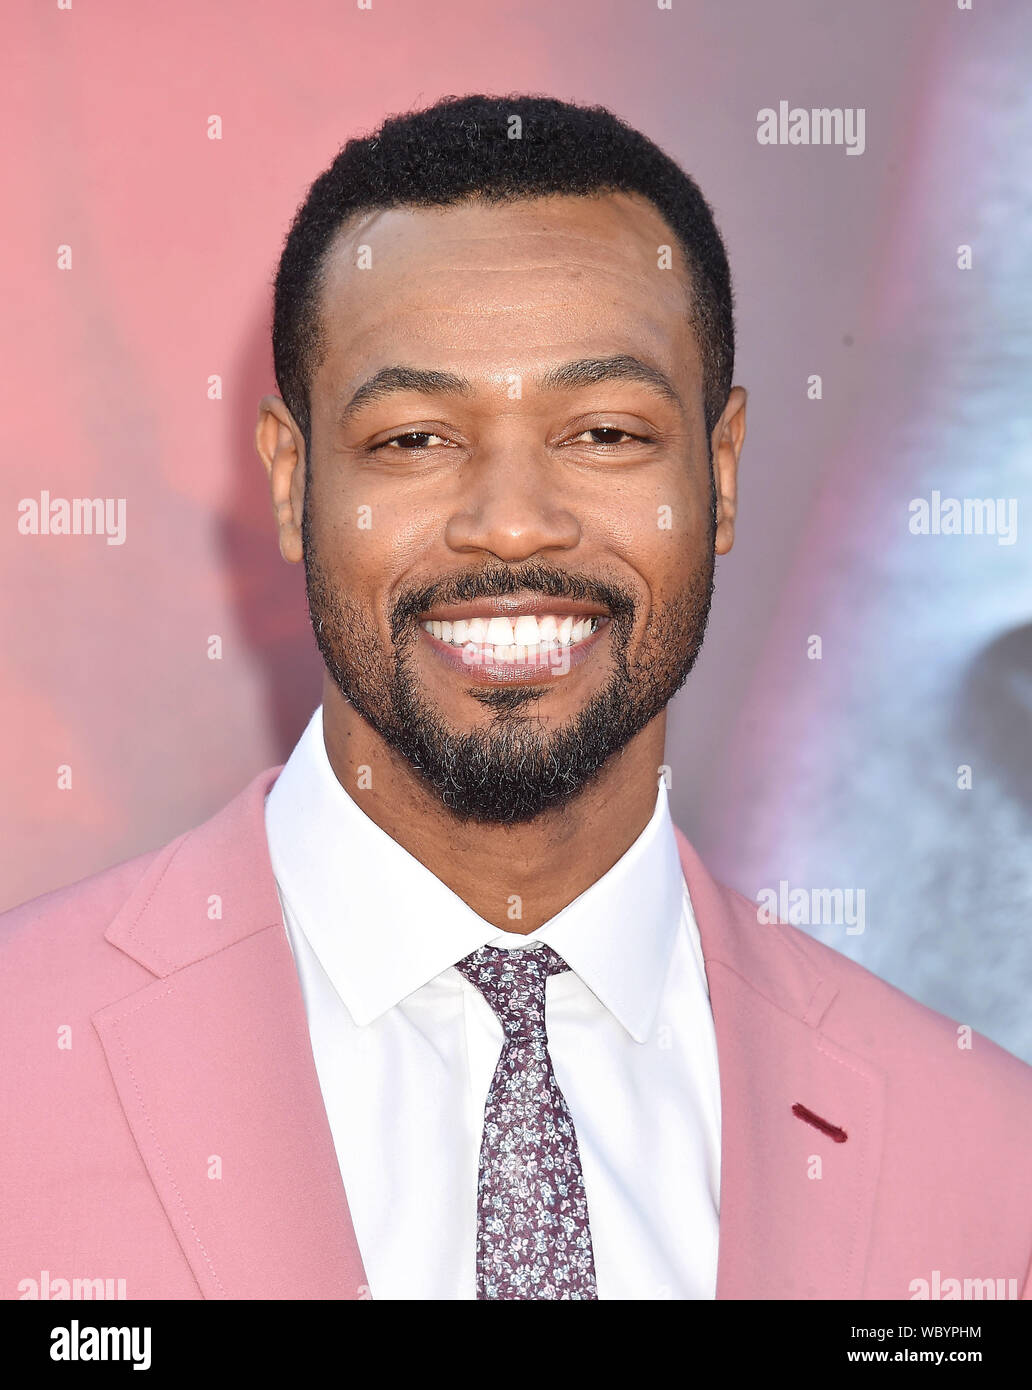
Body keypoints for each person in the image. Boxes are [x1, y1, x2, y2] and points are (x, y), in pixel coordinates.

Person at [2, 93, 1030, 1302]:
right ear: (290, 483)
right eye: (415, 439)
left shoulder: (979, 1151)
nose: (510, 523)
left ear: (722, 470)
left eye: (601, 431)